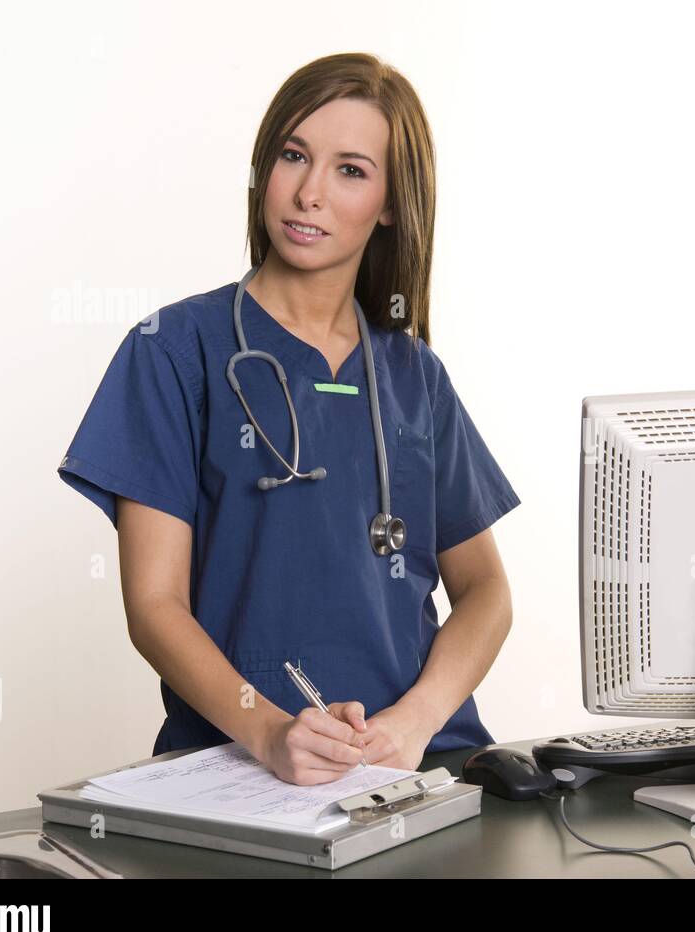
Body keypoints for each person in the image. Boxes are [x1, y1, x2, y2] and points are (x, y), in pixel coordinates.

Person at [57, 53, 520, 785]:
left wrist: (417, 719)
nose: (308, 193)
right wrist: (270, 731)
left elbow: (487, 594)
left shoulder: (412, 376)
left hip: (418, 770)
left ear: (393, 202)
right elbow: (154, 605)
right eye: (293, 155)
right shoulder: (174, 353)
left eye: (351, 170)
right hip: (239, 771)